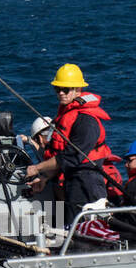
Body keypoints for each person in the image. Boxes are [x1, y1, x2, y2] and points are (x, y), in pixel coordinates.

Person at [25, 64, 122, 237]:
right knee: (74, 230)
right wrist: (45, 178)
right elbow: (63, 155)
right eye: (57, 89)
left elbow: (72, 156)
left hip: (87, 183)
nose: (61, 93)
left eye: (65, 89)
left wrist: (38, 169)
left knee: (87, 231)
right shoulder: (68, 114)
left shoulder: (86, 120)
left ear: (78, 89)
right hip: (72, 182)